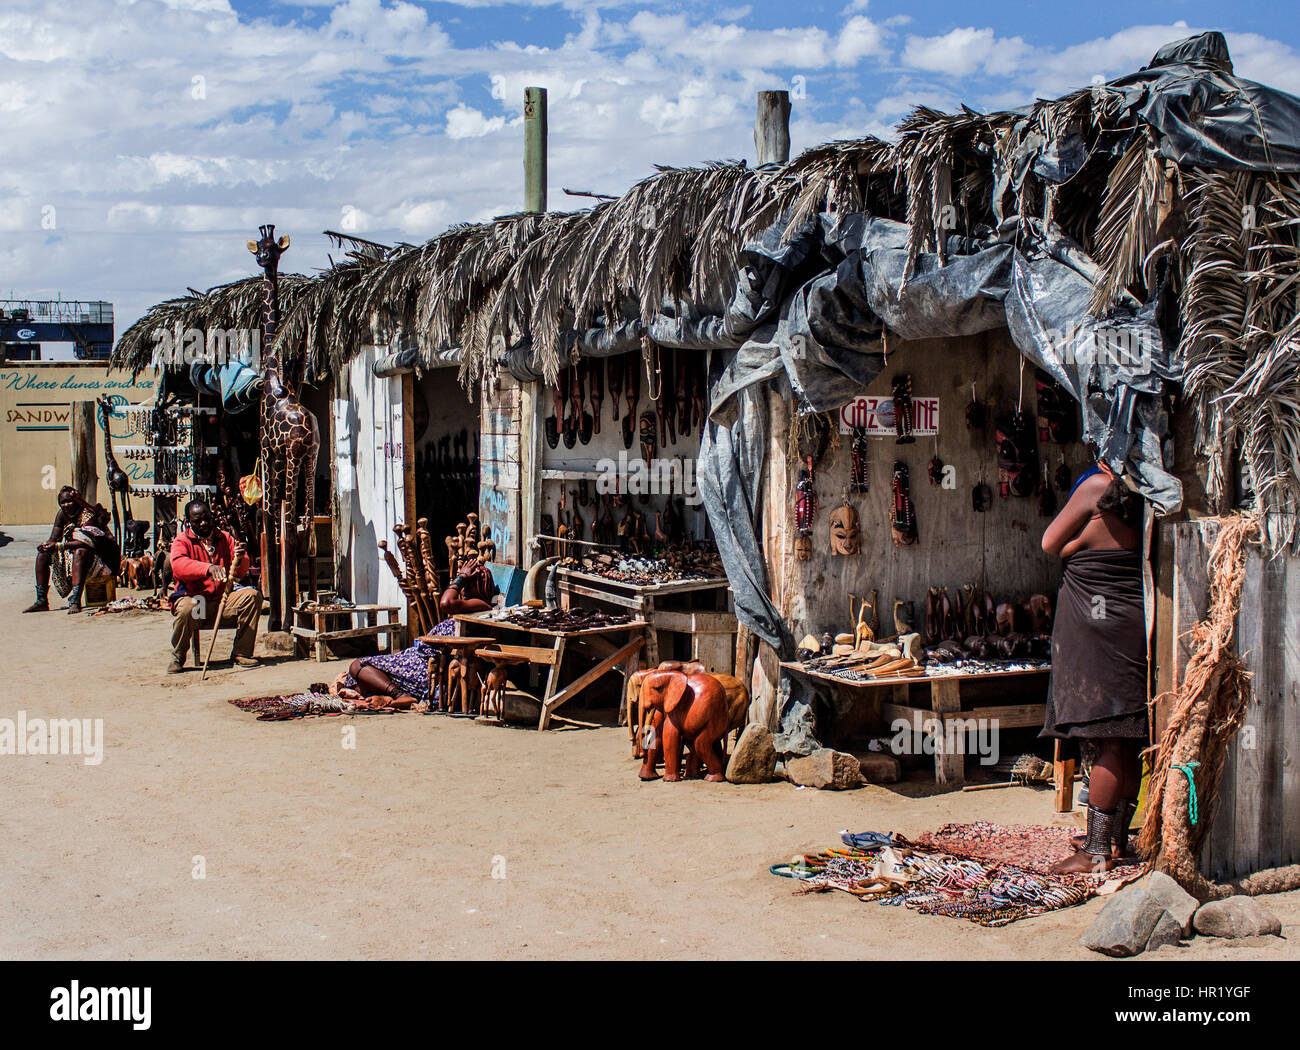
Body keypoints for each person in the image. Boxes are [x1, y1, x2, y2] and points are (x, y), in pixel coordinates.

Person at [1040, 460, 1146, 873]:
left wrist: (1077, 543)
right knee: (1126, 737)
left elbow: (1052, 543)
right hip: (1132, 622)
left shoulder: (1099, 486)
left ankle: (1096, 851)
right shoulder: (1151, 492)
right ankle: (1117, 841)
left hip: (1094, 628)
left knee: (1107, 738)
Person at [168, 499, 261, 674]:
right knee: (188, 607)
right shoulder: (182, 541)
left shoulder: (225, 538)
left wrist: (241, 559)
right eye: (197, 521)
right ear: (189, 522)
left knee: (251, 596)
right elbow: (179, 566)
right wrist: (207, 568)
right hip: (198, 603)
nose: (203, 523)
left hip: (222, 601)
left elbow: (240, 572)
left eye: (206, 518)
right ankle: (178, 656)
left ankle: (242, 652)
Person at [23, 487, 121, 614]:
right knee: (43, 555)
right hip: (72, 553)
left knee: (81, 551)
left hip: (99, 558)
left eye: (69, 501)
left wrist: (58, 546)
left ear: (77, 501)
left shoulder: (87, 514)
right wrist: (47, 545)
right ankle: (41, 601)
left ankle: (75, 600)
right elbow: (54, 537)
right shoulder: (62, 514)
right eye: (63, 502)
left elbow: (88, 543)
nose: (66, 505)